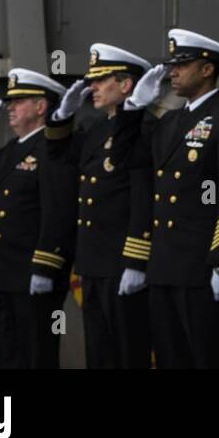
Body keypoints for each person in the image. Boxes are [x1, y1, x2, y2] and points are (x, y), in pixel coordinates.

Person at [128, 29, 219, 369]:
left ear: (207, 69)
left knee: (206, 356)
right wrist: (133, 109)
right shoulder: (170, 121)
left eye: (181, 65)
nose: (172, 72)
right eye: (171, 65)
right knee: (170, 357)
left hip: (200, 265)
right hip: (164, 263)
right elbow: (131, 159)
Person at [45, 44, 153, 368]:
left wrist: (136, 260)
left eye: (101, 79)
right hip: (92, 261)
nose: (92, 86)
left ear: (126, 85)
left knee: (127, 352)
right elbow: (58, 156)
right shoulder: (95, 128)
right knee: (99, 351)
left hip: (121, 261)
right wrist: (62, 117)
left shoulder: (144, 130)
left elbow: (142, 197)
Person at [0, 68, 74, 368]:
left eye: (19, 100)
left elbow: (58, 212)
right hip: (3, 272)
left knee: (36, 354)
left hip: (32, 272)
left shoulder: (52, 149)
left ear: (41, 106)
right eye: (11, 101)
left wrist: (46, 267)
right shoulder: (16, 149)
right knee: (9, 353)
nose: (10, 107)